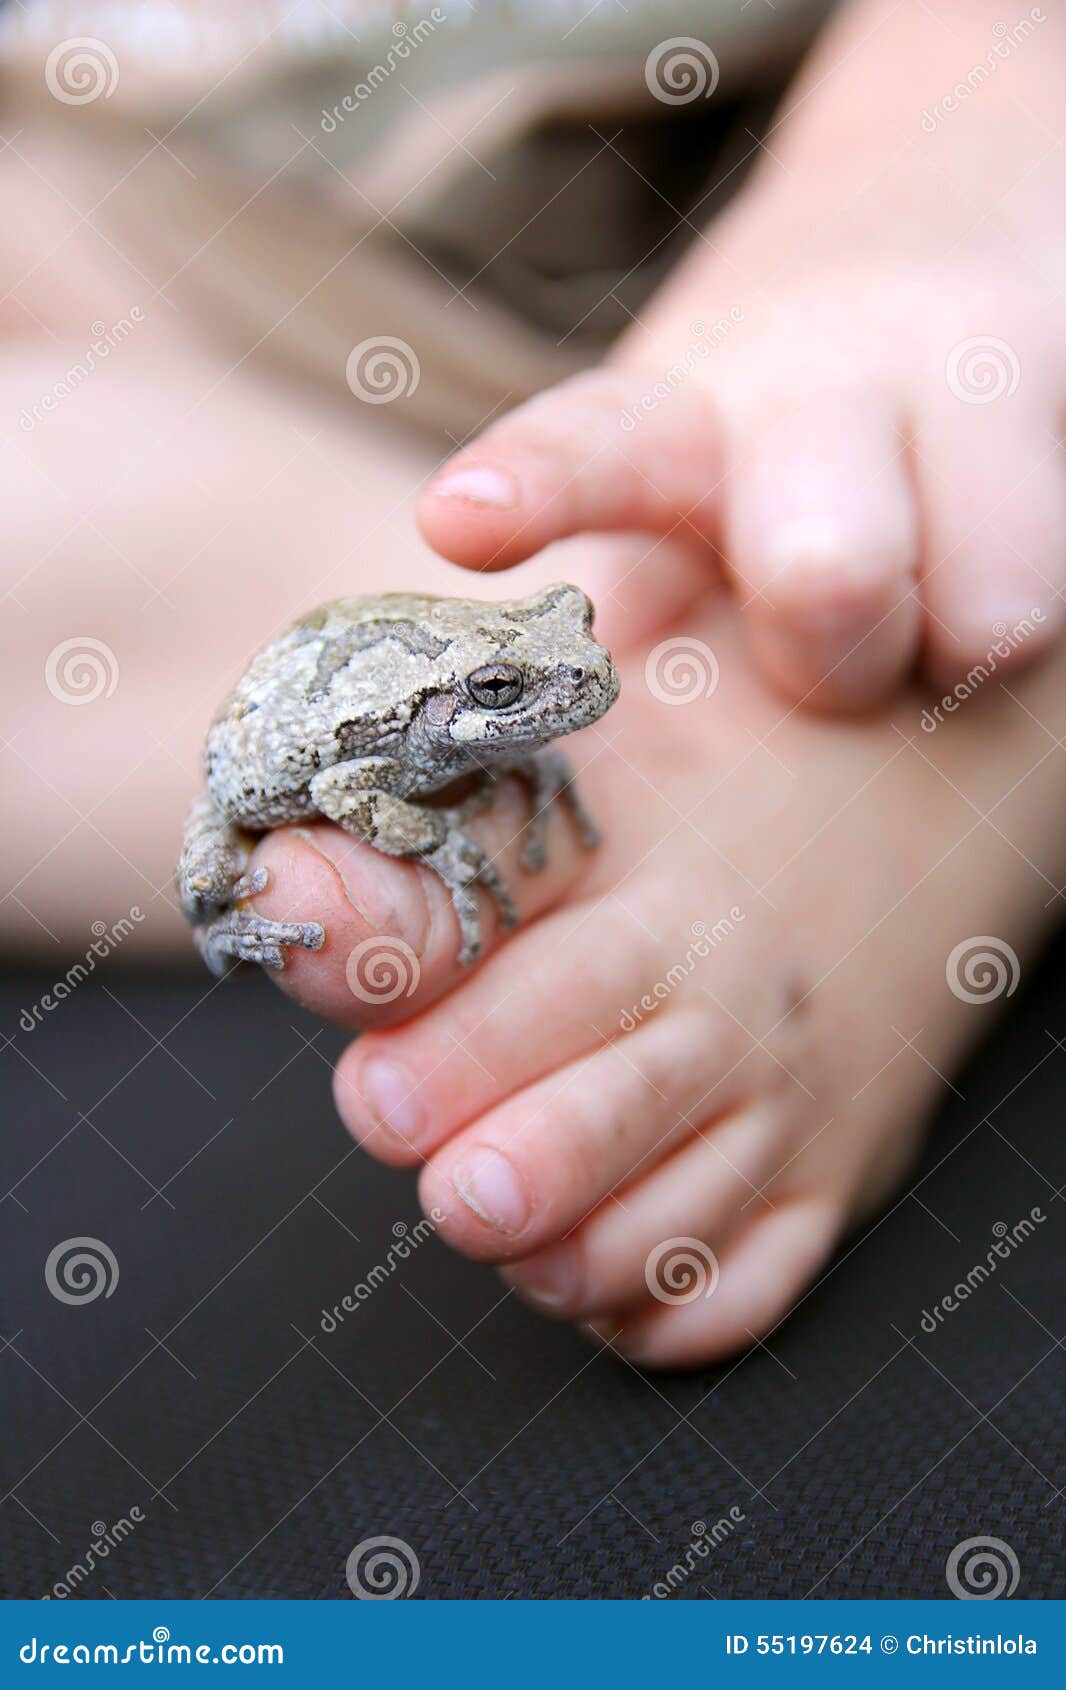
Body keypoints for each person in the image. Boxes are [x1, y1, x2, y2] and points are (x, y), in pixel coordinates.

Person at [3, 0, 1063, 1365]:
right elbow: (331, 779)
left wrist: (929, 132)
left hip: (728, 210)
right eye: (520, 687)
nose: (562, 698)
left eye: (555, 668)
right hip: (198, 207)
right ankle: (739, 611)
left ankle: (938, 697)